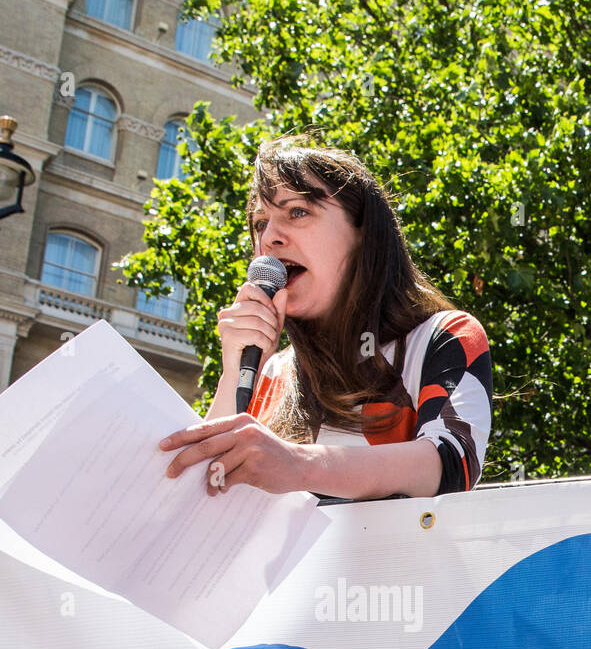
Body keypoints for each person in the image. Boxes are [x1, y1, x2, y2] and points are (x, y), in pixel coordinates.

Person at [159, 136, 492, 501]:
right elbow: (195, 502)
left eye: (297, 212)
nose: (269, 238)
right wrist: (233, 374)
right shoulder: (268, 375)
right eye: (259, 224)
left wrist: (298, 464)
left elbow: (453, 461)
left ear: (362, 231)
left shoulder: (442, 337)